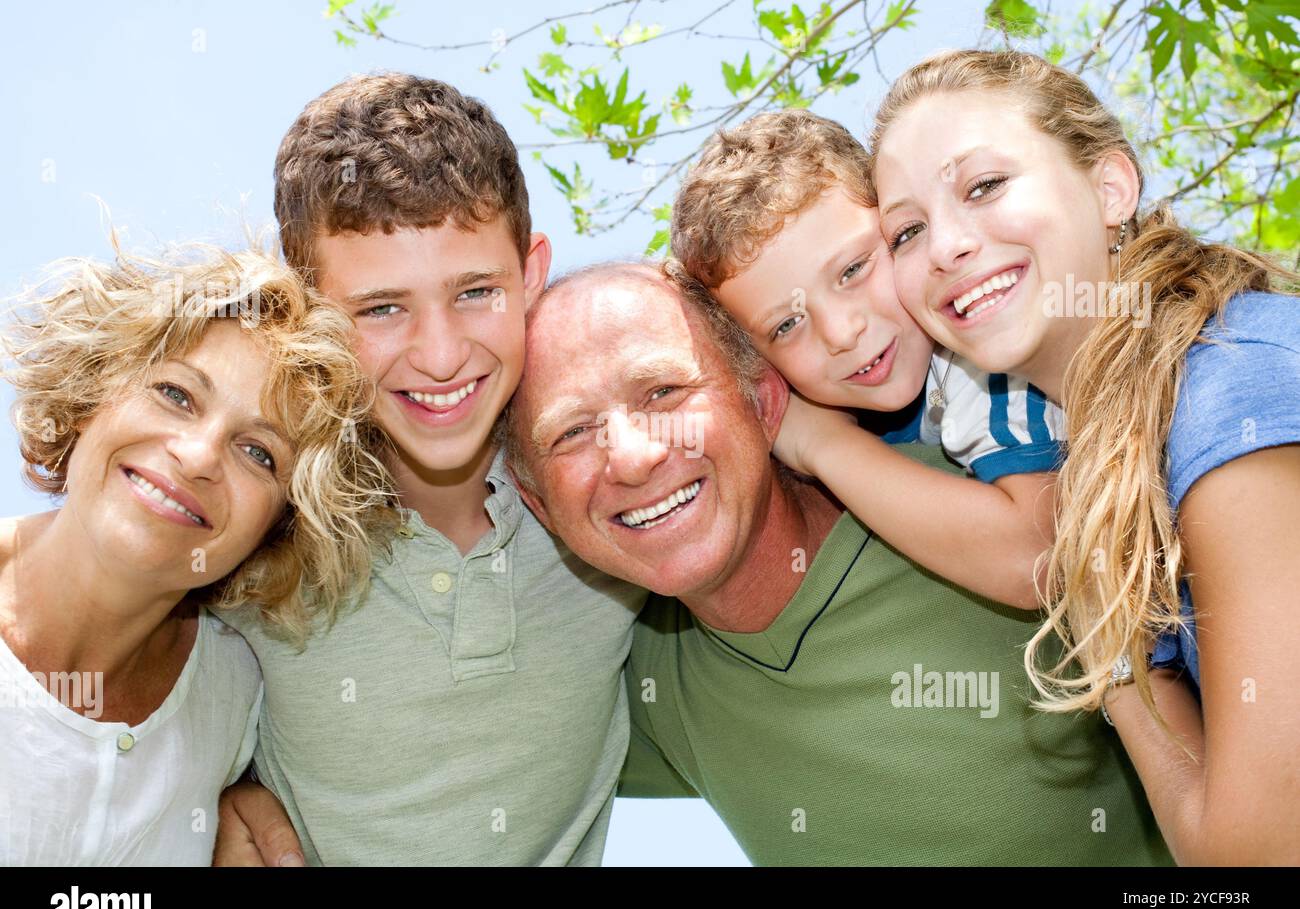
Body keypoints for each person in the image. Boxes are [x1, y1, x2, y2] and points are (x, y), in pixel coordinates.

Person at [504, 259, 1172, 865]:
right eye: (571, 433)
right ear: (539, 508)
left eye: (663, 392)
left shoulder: (985, 515)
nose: (632, 456)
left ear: (765, 404)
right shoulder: (630, 687)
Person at [869, 48, 1300, 864]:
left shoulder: (1232, 388)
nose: (948, 245)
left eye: (985, 186)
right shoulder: (1131, 445)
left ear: (1111, 188)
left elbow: (1251, 863)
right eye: (907, 231)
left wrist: (1113, 649)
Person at [212, 72, 646, 867]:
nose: (441, 356)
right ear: (305, 309)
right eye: (381, 308)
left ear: (532, 273)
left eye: (476, 291)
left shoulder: (610, 491)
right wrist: (220, 790)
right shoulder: (261, 519)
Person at [0, 241, 392, 864]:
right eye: (176, 394)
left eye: (259, 453)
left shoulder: (236, 698)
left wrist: (243, 797)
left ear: (276, 530)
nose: (199, 455)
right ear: (89, 395)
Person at [670, 110, 1062, 610]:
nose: (841, 332)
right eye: (786, 326)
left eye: (853, 269)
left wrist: (820, 442)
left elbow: (1037, 560)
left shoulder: (983, 357)